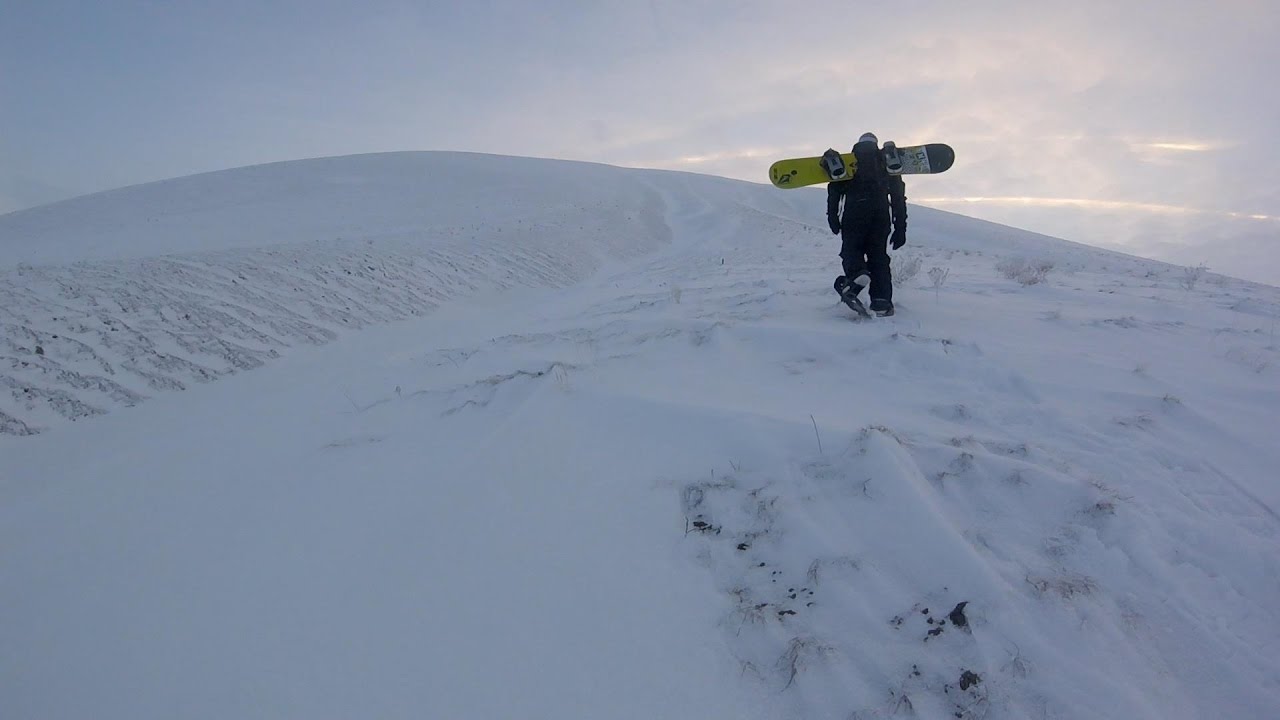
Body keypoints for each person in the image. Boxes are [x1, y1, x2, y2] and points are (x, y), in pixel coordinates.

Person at [827, 132, 907, 316]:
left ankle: (856, 276)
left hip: (854, 214)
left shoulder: (848, 163)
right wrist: (900, 227)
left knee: (851, 250)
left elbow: (834, 192)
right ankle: (881, 302)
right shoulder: (887, 162)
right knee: (878, 257)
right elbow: (898, 198)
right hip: (880, 216)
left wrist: (833, 217)